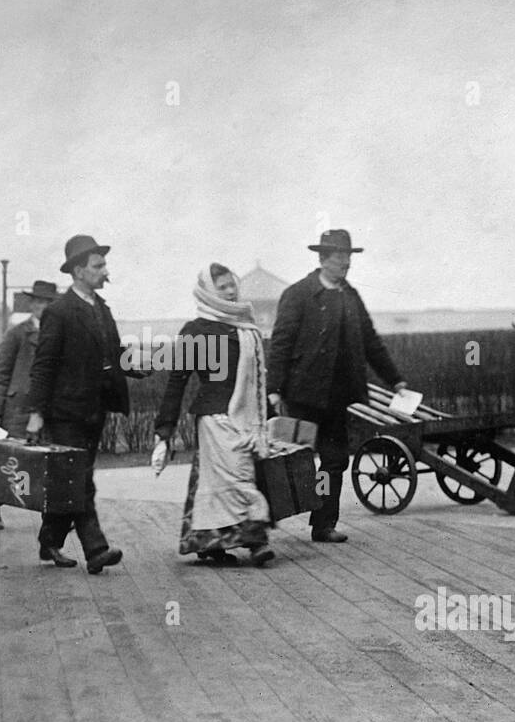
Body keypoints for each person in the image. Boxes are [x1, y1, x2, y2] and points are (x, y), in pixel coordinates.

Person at [266, 228, 409, 543]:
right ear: (323, 259)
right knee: (291, 459)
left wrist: (395, 379)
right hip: (302, 394)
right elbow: (281, 343)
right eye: (340, 257)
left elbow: (371, 342)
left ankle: (323, 524)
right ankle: (267, 520)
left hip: (337, 397)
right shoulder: (298, 294)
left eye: (348, 256)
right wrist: (274, 388)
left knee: (334, 460)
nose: (346, 263)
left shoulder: (350, 296)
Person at [25, 234, 146, 573]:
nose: (105, 271)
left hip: (95, 409)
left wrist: (138, 366)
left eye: (103, 264)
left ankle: (49, 539)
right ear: (79, 271)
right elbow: (44, 365)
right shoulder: (59, 312)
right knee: (80, 481)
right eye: (98, 265)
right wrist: (36, 414)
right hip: (65, 412)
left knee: (71, 479)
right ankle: (96, 549)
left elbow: (115, 354)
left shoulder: (101, 309)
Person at [154, 264, 274, 567]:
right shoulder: (196, 331)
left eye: (232, 285)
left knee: (228, 479)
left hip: (247, 421)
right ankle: (256, 541)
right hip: (215, 420)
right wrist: (164, 432)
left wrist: (269, 416)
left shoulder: (246, 327)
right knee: (239, 479)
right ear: (208, 291)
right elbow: (177, 381)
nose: (231, 291)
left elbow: (256, 381)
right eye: (222, 287)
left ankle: (211, 541)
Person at [0, 279, 59, 531]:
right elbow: (0, 374)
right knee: (9, 460)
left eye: (48, 302)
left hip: (50, 407)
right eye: (38, 301)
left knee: (49, 460)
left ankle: (52, 516)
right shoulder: (17, 334)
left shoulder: (60, 333)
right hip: (18, 407)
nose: (42, 306)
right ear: (31, 304)